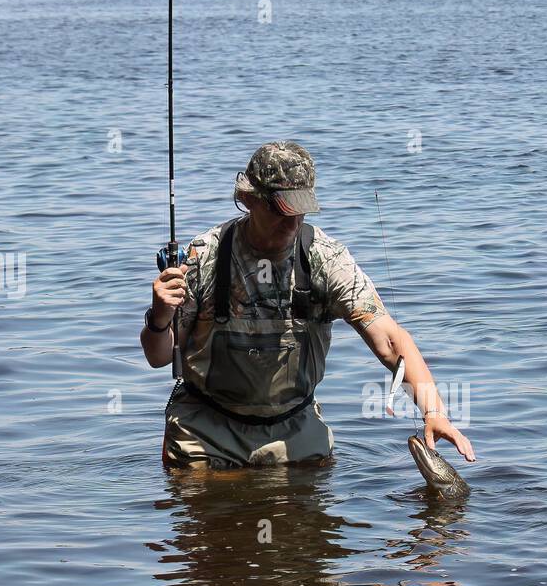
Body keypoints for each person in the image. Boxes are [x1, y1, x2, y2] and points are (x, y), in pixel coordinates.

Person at [141, 140, 476, 470]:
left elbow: (390, 340)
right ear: (247, 199)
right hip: (205, 432)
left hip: (295, 432)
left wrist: (434, 412)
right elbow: (159, 357)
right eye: (280, 210)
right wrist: (159, 315)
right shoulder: (205, 257)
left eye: (300, 210)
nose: (292, 223)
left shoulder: (326, 260)